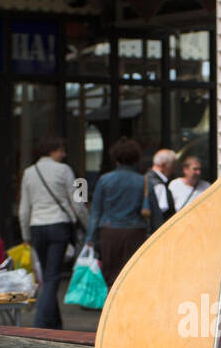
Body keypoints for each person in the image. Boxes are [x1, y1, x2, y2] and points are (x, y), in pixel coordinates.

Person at [19, 134, 88, 329]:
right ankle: (41, 322)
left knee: (47, 276)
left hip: (36, 226)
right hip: (59, 225)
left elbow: (24, 208)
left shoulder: (29, 173)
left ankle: (54, 323)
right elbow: (77, 202)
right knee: (52, 277)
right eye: (61, 150)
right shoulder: (64, 170)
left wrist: (25, 235)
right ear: (52, 150)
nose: (64, 154)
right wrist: (87, 224)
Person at [87, 138, 146, 289]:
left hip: (109, 232)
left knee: (111, 275)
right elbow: (155, 213)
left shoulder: (104, 180)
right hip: (135, 232)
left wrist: (91, 237)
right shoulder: (143, 181)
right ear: (136, 159)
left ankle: (111, 308)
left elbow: (95, 212)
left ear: (115, 159)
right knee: (132, 275)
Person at [143, 148, 176, 234]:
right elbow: (160, 212)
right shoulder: (158, 184)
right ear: (163, 165)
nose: (174, 169)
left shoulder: (145, 178)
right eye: (172, 165)